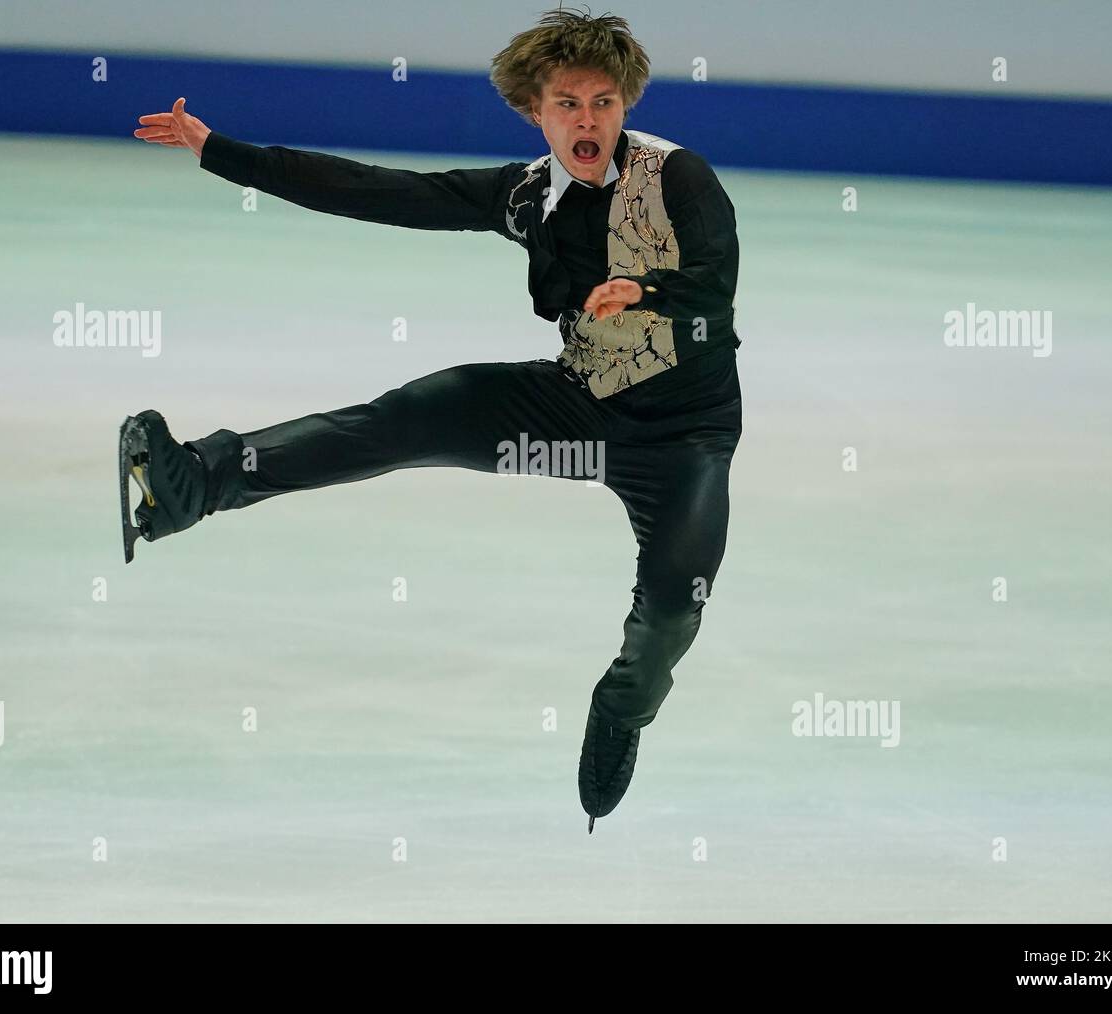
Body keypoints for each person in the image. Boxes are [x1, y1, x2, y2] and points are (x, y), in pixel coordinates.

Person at [122, 7, 742, 833]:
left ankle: (622, 712)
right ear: (536, 110)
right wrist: (220, 152)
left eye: (602, 102)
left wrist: (646, 291)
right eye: (568, 104)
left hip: (686, 438)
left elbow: (716, 283)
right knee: (411, 416)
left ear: (624, 103)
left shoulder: (676, 178)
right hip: (575, 415)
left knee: (670, 612)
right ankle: (197, 482)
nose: (587, 120)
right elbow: (382, 192)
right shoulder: (523, 196)